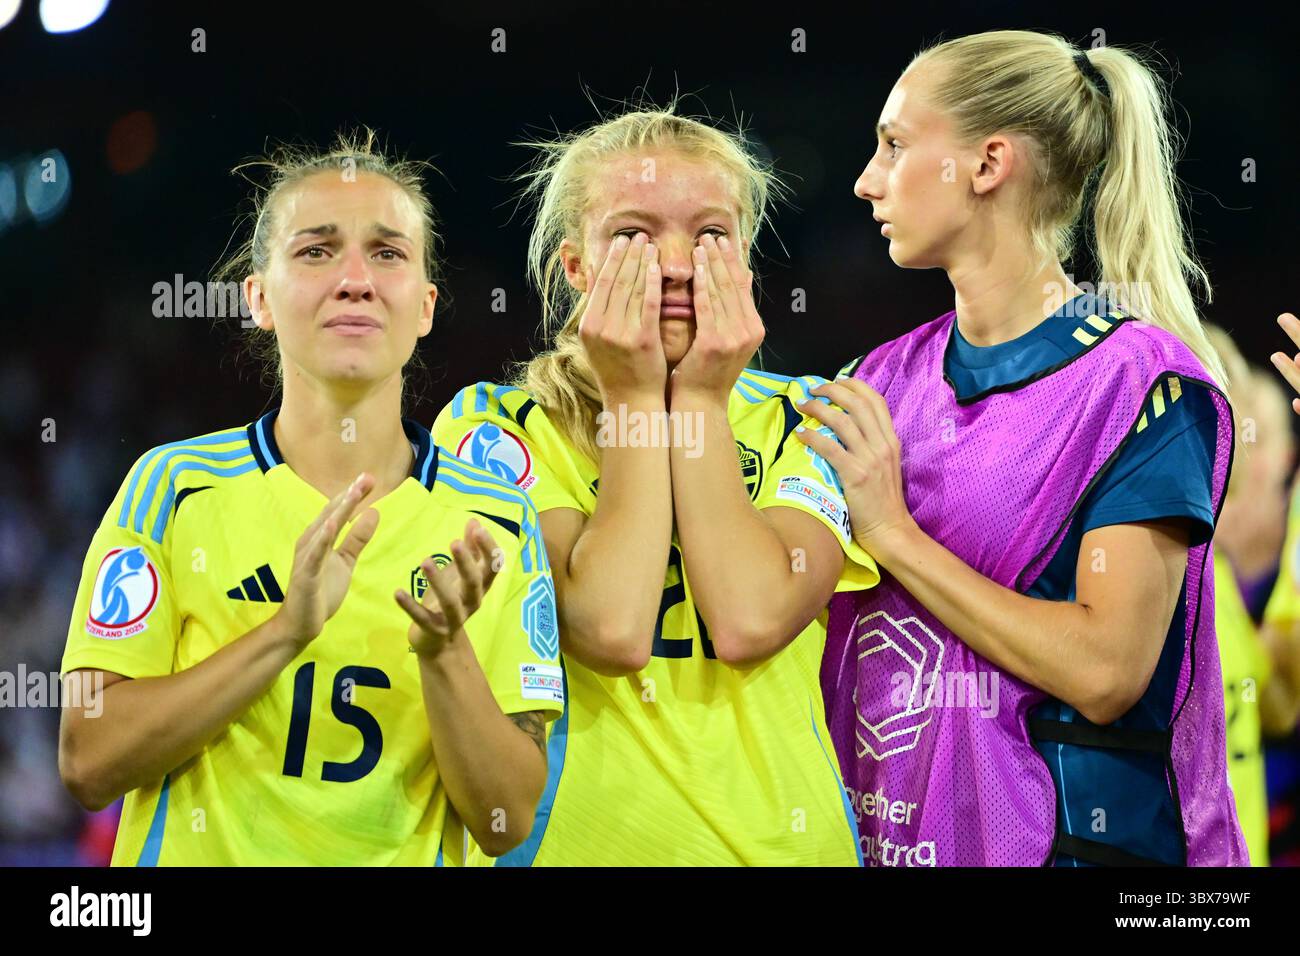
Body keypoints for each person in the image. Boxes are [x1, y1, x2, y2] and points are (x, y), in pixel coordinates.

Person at [57, 130, 562, 865]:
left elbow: (505, 822)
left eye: (387, 253)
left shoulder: (497, 519)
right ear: (258, 298)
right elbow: (89, 760)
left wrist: (447, 653)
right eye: (316, 250)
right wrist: (283, 634)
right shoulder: (173, 488)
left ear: (425, 306)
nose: (355, 278)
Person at [802, 31, 1245, 865]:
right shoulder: (876, 378)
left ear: (987, 163)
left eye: (895, 145)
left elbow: (1105, 672)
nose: (867, 180)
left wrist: (894, 534)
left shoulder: (1144, 387)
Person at [433, 105, 880, 865]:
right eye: (633, 235)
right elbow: (609, 629)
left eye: (711, 234)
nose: (676, 264)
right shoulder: (496, 428)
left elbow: (749, 618)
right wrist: (638, 400)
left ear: (744, 257)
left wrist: (699, 402)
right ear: (574, 267)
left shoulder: (808, 415)